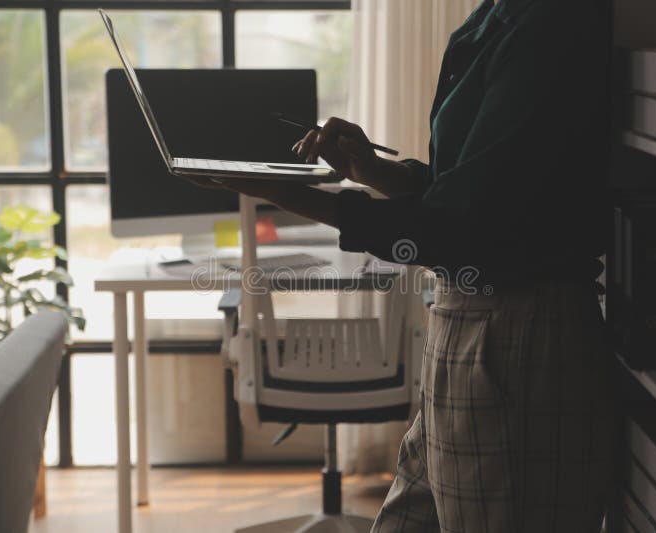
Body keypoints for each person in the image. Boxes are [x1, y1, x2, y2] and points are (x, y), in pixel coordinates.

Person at [207, 0, 617, 531]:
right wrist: (372, 170)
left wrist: (291, 197)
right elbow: (468, 195)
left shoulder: (550, 26)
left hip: (515, 332)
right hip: (465, 327)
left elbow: (467, 228)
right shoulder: (497, 17)